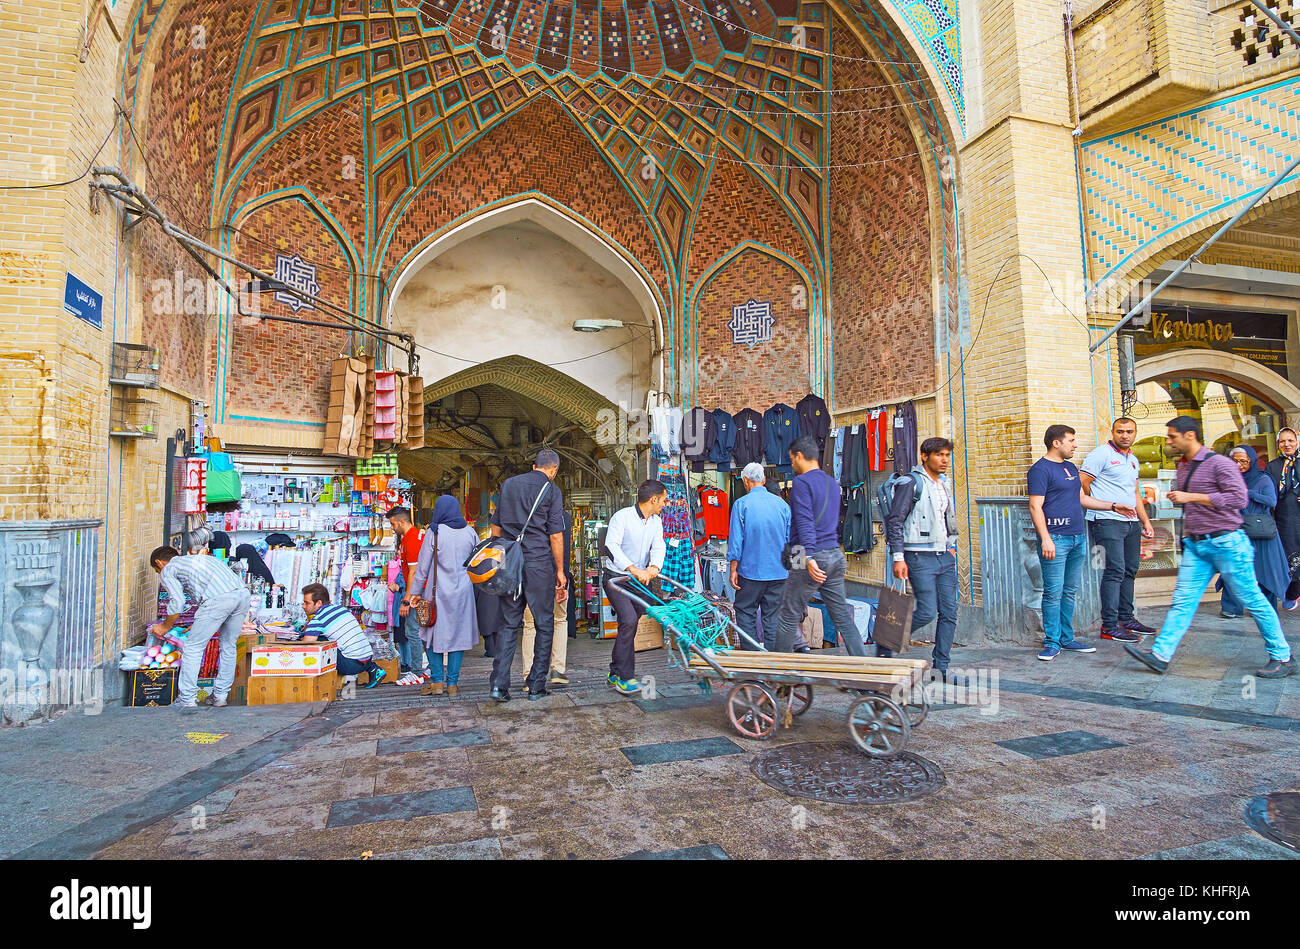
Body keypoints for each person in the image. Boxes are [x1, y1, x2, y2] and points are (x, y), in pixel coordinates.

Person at [1126, 416, 1295, 679]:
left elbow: (1238, 498)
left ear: (1190, 436)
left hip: (1227, 542)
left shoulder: (1219, 463)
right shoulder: (1183, 466)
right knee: (1183, 601)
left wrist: (1192, 496)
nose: (1169, 441)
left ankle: (1282, 655)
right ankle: (1161, 654)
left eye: (1173, 436)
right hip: (1197, 546)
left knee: (1253, 600)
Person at [1029, 425, 1135, 661]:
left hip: (1078, 537)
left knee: (1069, 592)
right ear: (1056, 443)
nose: (1075, 445)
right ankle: (1052, 642)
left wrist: (1114, 506)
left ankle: (1067, 639)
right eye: (1071, 441)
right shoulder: (1040, 470)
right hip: (1056, 538)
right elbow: (1035, 506)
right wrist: (1045, 538)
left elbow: (1082, 499)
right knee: (1053, 593)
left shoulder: (1069, 467)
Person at [774, 435, 868, 656]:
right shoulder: (832, 484)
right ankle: (864, 670)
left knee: (788, 615)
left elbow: (805, 521)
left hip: (808, 553)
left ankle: (776, 673)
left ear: (799, 456)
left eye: (792, 459)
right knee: (843, 617)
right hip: (834, 553)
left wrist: (808, 558)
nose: (792, 465)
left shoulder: (801, 483)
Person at [881, 436, 964, 681]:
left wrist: (951, 546)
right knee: (927, 611)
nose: (944, 459)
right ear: (925, 456)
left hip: (944, 555)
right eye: (939, 454)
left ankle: (942, 668)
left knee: (950, 612)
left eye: (947, 455)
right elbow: (895, 521)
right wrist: (899, 557)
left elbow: (946, 517)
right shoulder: (912, 482)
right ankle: (887, 641)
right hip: (918, 555)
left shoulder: (944, 483)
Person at [489, 449, 567, 701]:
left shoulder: (509, 485)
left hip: (510, 563)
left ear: (535, 466)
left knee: (509, 624)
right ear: (553, 469)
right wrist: (560, 570)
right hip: (538, 563)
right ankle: (535, 685)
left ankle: (499, 686)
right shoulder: (552, 490)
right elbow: (555, 534)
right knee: (544, 624)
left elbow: (496, 527)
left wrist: (503, 555)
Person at [1079, 417, 1156, 642]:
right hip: (1107, 520)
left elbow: (1135, 494)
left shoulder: (1132, 459)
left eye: (1129, 431)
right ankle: (1109, 626)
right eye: (1120, 431)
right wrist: (1097, 502)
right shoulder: (1100, 454)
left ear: (1135, 433)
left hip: (1131, 522)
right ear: (1112, 432)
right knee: (1115, 570)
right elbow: (1083, 481)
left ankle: (1127, 619)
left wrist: (1146, 522)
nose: (1125, 435)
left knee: (1130, 570)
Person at [149, 545, 251, 708]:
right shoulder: (204, 559)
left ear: (159, 563)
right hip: (242, 595)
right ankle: (220, 696)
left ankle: (187, 699)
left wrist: (164, 627)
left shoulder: (169, 569)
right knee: (228, 646)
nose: (159, 573)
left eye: (157, 570)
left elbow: (177, 602)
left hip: (218, 600)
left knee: (192, 648)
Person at [728, 462, 810, 652]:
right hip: (779, 572)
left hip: (750, 572)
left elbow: (736, 541)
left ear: (745, 481)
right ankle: (774, 662)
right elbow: (794, 538)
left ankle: (753, 658)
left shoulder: (741, 505)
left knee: (745, 612)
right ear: (764, 480)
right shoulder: (782, 504)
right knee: (772, 617)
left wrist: (733, 569)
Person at [601, 480, 668, 694]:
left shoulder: (656, 521)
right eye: (663, 500)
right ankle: (624, 677)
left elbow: (659, 545)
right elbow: (611, 546)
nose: (665, 504)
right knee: (629, 621)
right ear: (653, 499)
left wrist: (654, 566)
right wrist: (632, 568)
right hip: (615, 577)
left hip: (639, 580)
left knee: (632, 620)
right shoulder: (622, 517)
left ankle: (615, 670)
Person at [409, 495, 480, 697]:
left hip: (437, 593)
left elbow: (422, 567)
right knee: (459, 637)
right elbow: (476, 562)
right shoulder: (470, 532)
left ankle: (437, 681)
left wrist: (414, 593)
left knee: (430, 634)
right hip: (464, 594)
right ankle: (453, 685)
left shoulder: (435, 532)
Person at [1218, 445, 1291, 617]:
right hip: (1238, 530)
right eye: (1235, 461)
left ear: (1251, 461)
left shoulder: (1262, 479)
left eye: (1243, 461)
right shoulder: (1229, 479)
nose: (1238, 465)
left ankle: (1266, 607)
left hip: (1260, 531)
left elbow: (1271, 501)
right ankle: (1231, 608)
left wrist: (1247, 492)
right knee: (1233, 568)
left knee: (1266, 571)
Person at [522, 506, 574, 687]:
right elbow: (564, 551)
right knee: (559, 620)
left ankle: (529, 674)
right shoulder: (564, 517)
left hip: (533, 579)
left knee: (530, 625)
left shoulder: (528, 516)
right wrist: (563, 577)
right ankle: (558, 668)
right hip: (558, 577)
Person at [299, 584, 386, 689]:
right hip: (367, 659)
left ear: (318, 603)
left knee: (319, 642)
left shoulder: (318, 619)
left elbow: (306, 645)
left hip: (351, 666)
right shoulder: (340, 608)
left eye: (306, 603)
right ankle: (373, 669)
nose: (303, 606)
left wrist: (306, 633)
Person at [388, 506, 430, 685]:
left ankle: (417, 672)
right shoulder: (413, 537)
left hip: (417, 593)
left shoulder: (412, 540)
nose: (391, 527)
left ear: (402, 522)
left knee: (412, 632)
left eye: (392, 524)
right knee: (423, 632)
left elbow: (413, 572)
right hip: (421, 591)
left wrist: (406, 600)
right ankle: (428, 669)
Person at [1266, 426, 1300, 575]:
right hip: (1285, 521)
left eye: (1291, 440)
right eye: (1282, 441)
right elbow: (1269, 495)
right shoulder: (1272, 466)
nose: (1287, 444)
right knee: (1291, 564)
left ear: (1298, 441)